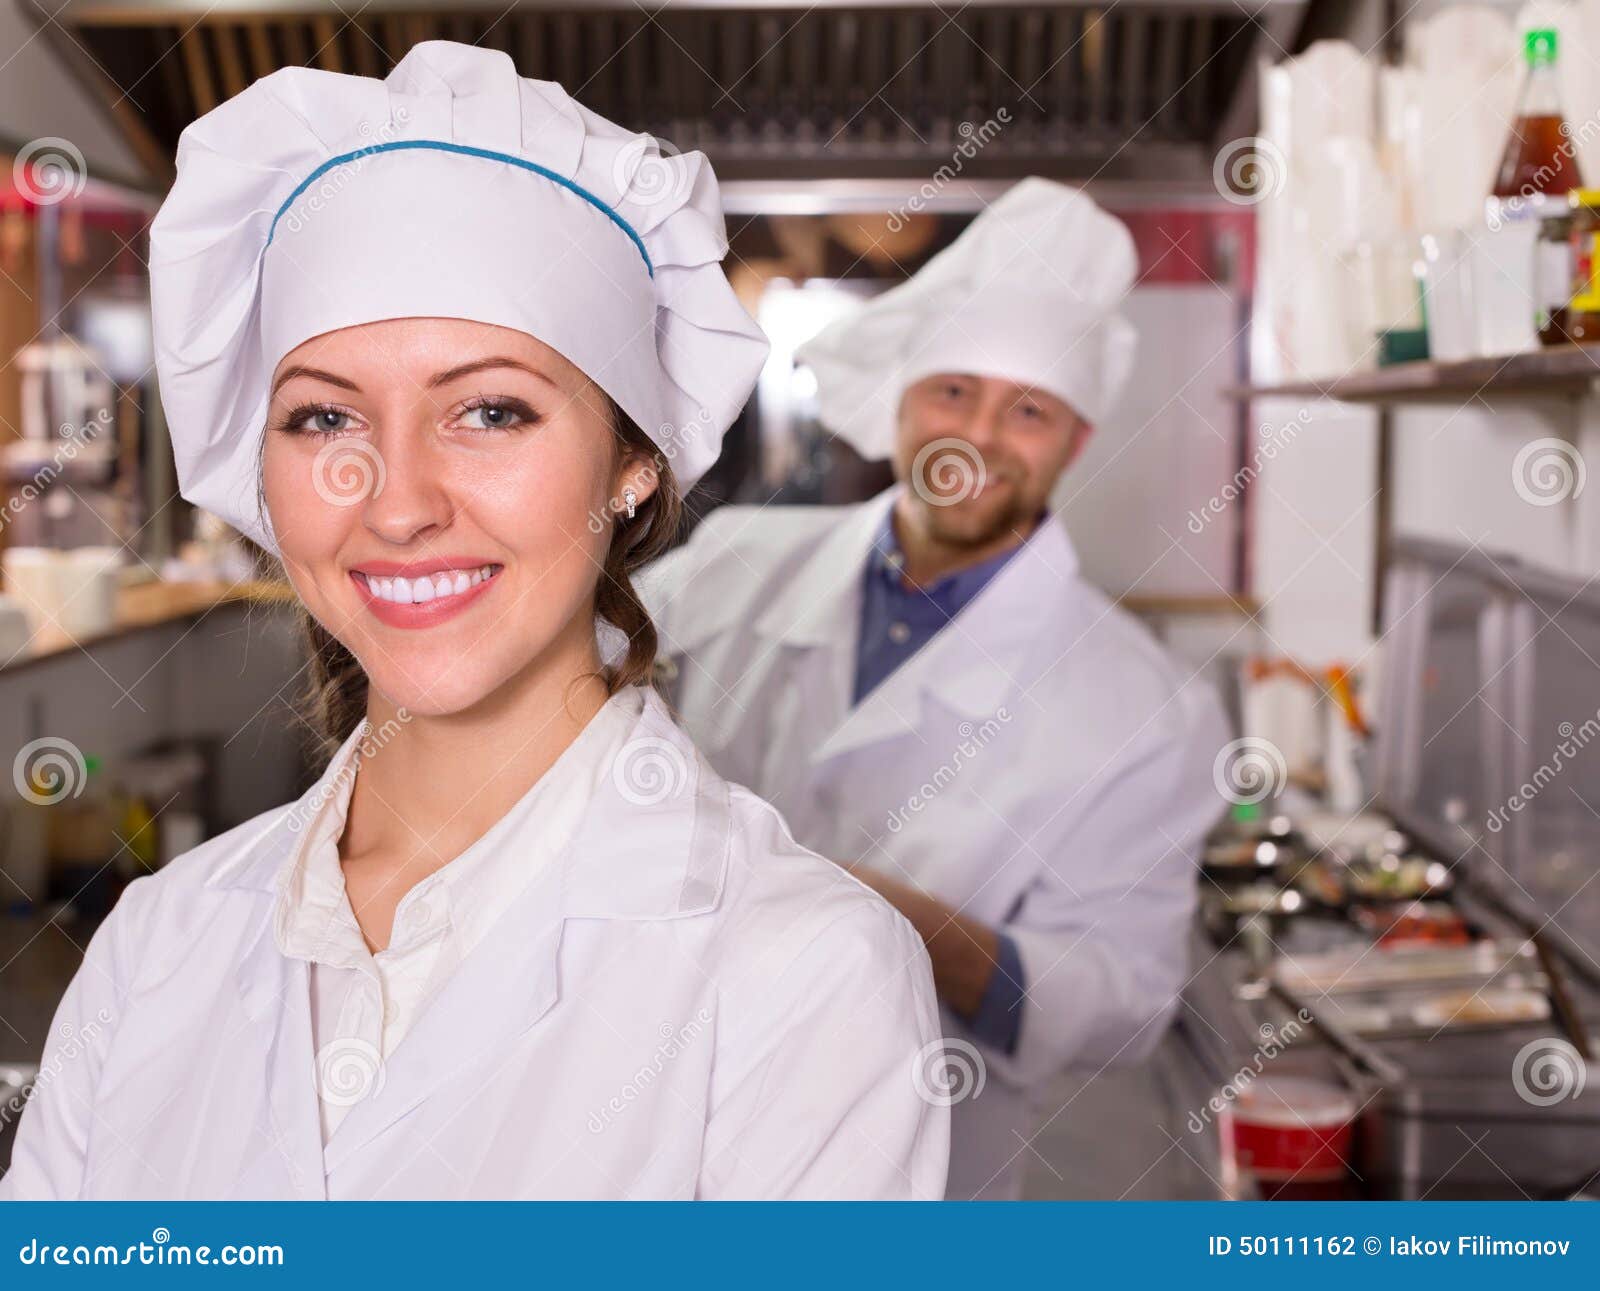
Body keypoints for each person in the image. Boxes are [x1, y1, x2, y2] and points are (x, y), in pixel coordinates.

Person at [0, 42, 947, 1201]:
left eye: (490, 410)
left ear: (634, 461)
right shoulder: (156, 945)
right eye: (323, 419)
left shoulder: (805, 975)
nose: (397, 503)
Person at [639, 178, 1228, 1201]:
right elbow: (566, 704)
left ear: (1077, 440)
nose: (980, 435)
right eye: (953, 390)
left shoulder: (1150, 707)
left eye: (1029, 409)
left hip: (925, 1160)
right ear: (902, 398)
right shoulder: (731, 562)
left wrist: (892, 923)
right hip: (663, 1114)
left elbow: (1125, 1000)